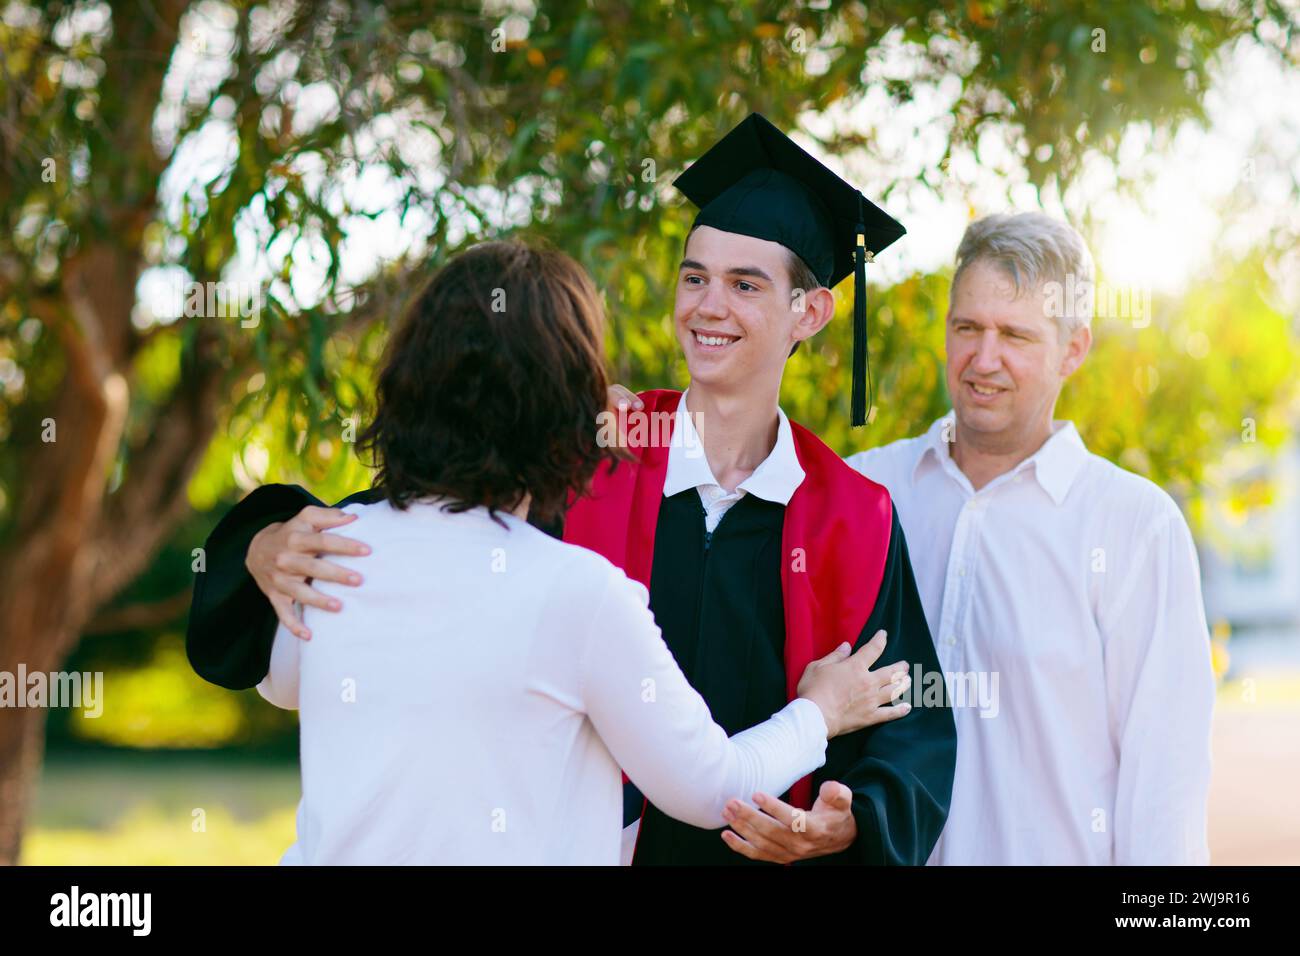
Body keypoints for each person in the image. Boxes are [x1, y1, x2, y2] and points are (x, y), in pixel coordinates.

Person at [187, 114, 957, 866]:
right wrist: (265, 537)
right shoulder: (583, 454)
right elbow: (417, 522)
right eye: (695, 278)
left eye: (744, 284)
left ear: (810, 313)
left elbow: (905, 720)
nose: (708, 307)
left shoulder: (851, 517)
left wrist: (854, 826)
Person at [844, 212, 1216, 864]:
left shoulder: (1134, 528)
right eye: (968, 328)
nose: (984, 360)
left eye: (1016, 335)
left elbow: (1165, 786)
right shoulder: (869, 492)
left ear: (1073, 349)